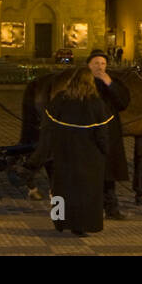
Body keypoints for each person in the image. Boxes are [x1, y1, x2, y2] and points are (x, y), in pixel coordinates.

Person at [33, 67, 111, 235]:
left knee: (61, 190)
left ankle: (60, 222)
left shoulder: (61, 99)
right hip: (90, 157)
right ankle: (82, 225)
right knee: (87, 192)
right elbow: (102, 133)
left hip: (64, 153)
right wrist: (105, 151)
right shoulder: (96, 103)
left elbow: (49, 124)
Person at [86, 49, 131, 220]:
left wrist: (110, 84)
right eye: (96, 63)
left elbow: (123, 102)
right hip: (89, 132)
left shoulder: (112, 82)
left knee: (109, 171)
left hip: (109, 132)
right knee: (91, 171)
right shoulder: (84, 82)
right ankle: (93, 208)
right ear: (89, 65)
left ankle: (112, 207)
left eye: (103, 63)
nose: (100, 67)